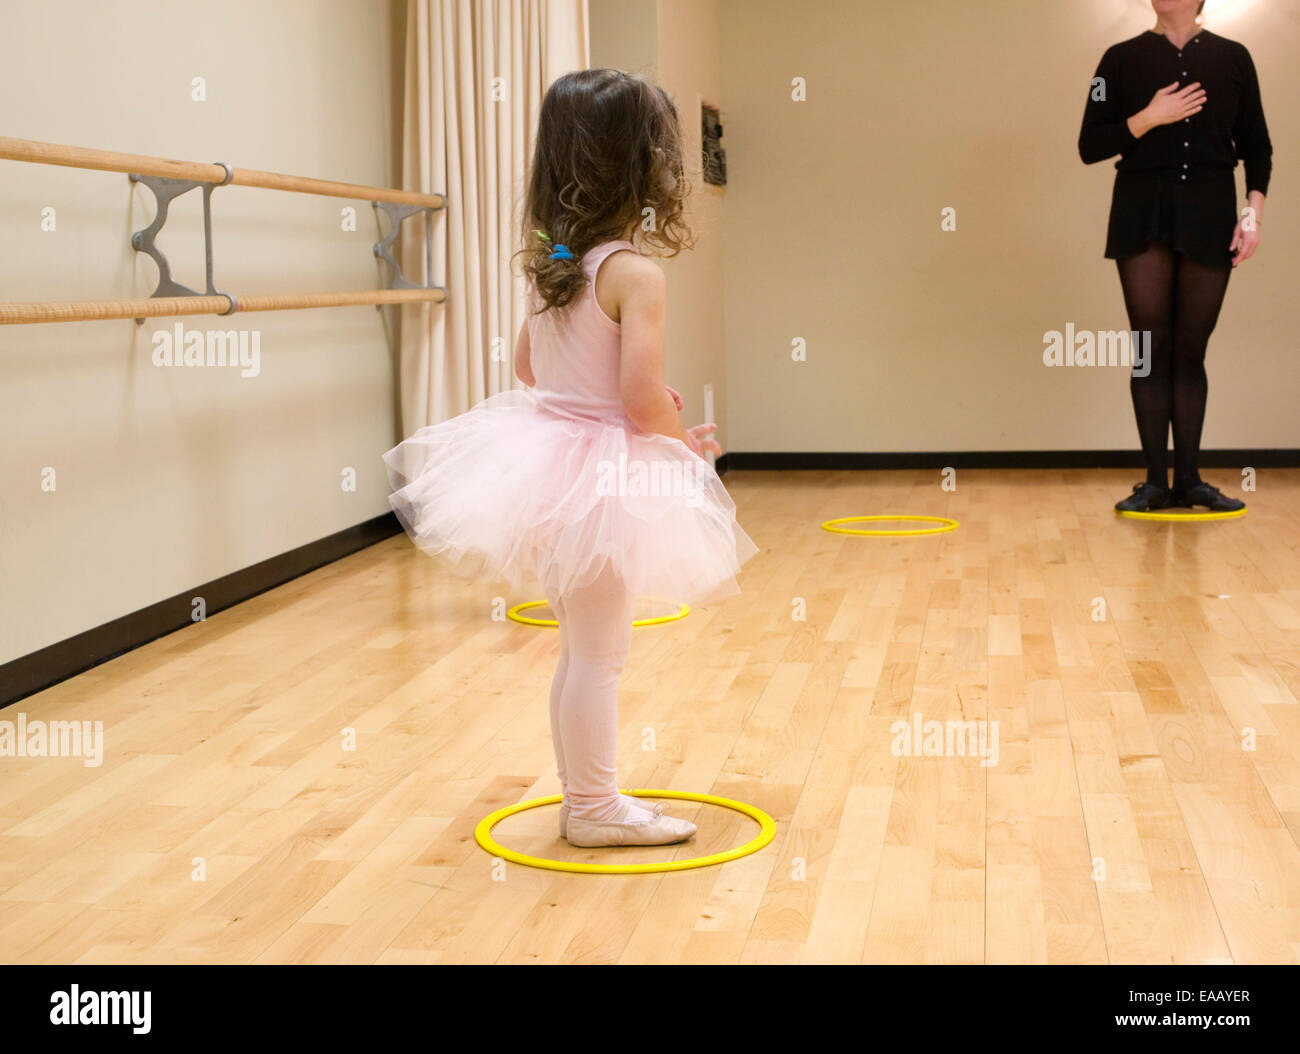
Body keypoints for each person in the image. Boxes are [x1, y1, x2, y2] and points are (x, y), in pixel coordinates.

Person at [383, 68, 758, 848]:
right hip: (600, 477)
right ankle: (592, 808)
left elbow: (528, 369)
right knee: (602, 655)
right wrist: (681, 445)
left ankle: (586, 800)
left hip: (545, 468)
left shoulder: (556, 264)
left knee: (581, 650)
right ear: (645, 164)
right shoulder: (635, 273)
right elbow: (639, 399)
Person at [1078, 0, 1271, 512]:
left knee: (1190, 351)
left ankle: (1190, 481)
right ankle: (1155, 483)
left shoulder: (1234, 58)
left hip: (1209, 210)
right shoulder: (1118, 59)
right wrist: (1147, 118)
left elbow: (1258, 146)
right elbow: (1090, 143)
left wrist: (1251, 216)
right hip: (1142, 210)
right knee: (1149, 348)